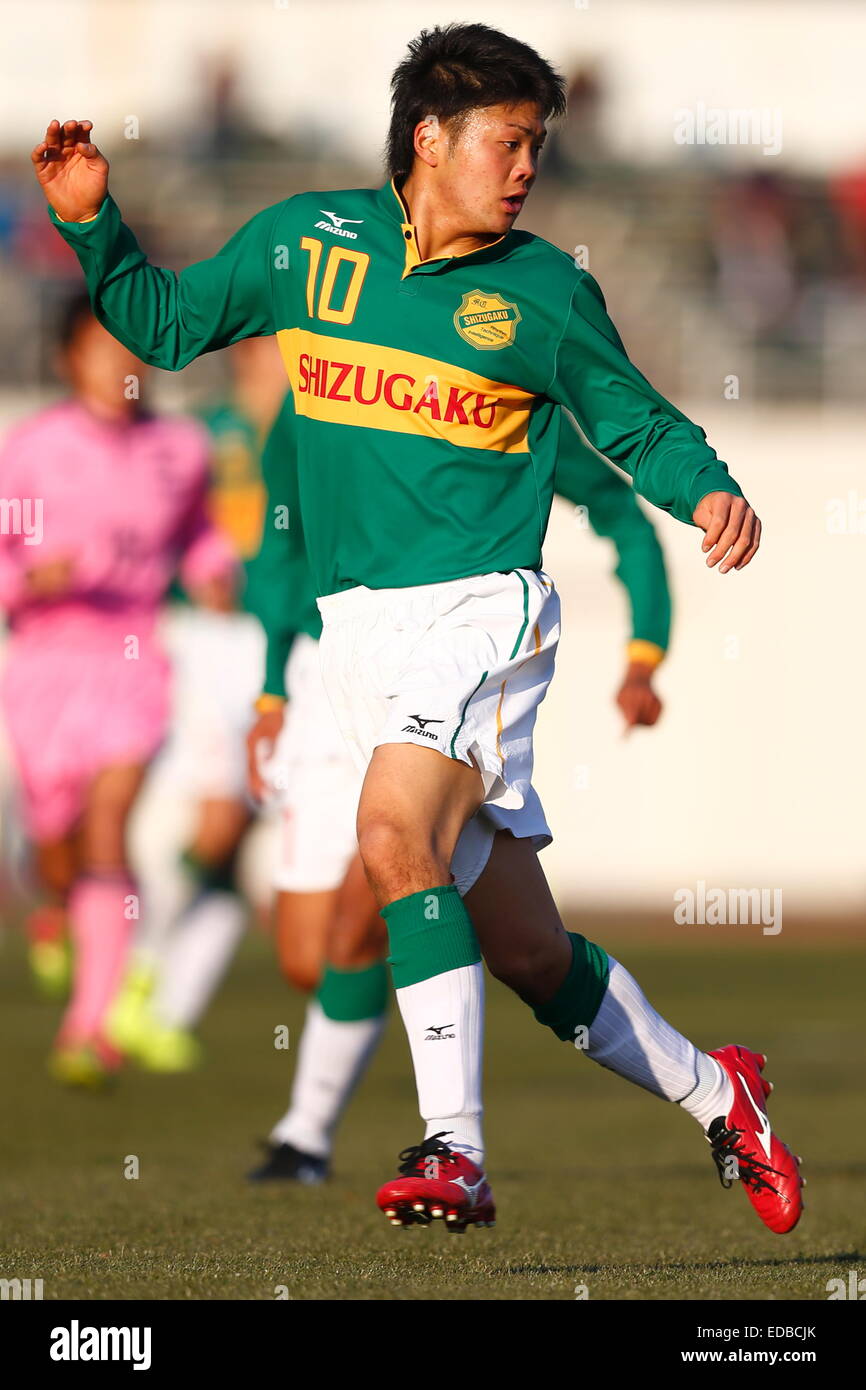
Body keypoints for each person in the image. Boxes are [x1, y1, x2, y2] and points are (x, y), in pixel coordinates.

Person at [32, 21, 802, 1235]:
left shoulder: (544, 289)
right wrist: (92, 221)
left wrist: (702, 482)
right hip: (356, 635)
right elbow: (169, 327)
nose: (525, 166)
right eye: (507, 139)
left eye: (536, 144)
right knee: (530, 955)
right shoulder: (303, 242)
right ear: (428, 138)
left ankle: (455, 1148)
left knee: (388, 835)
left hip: (480, 612)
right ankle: (720, 1095)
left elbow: (636, 421)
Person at [245, 391, 670, 1183]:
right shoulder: (315, 384)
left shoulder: (490, 395)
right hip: (329, 673)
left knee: (380, 874)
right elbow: (278, 543)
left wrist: (646, 650)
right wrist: (270, 691)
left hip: (441, 671)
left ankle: (335, 1138)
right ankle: (712, 1091)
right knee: (315, 954)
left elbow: (617, 504)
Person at [0, 292, 235, 1085]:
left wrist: (210, 570)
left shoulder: (179, 447)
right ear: (69, 358)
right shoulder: (33, 449)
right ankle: (54, 903)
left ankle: (88, 1027)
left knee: (110, 823)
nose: (120, 364)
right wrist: (30, 579)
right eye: (102, 349)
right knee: (58, 842)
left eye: (130, 347)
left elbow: (198, 530)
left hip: (133, 658)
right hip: (43, 663)